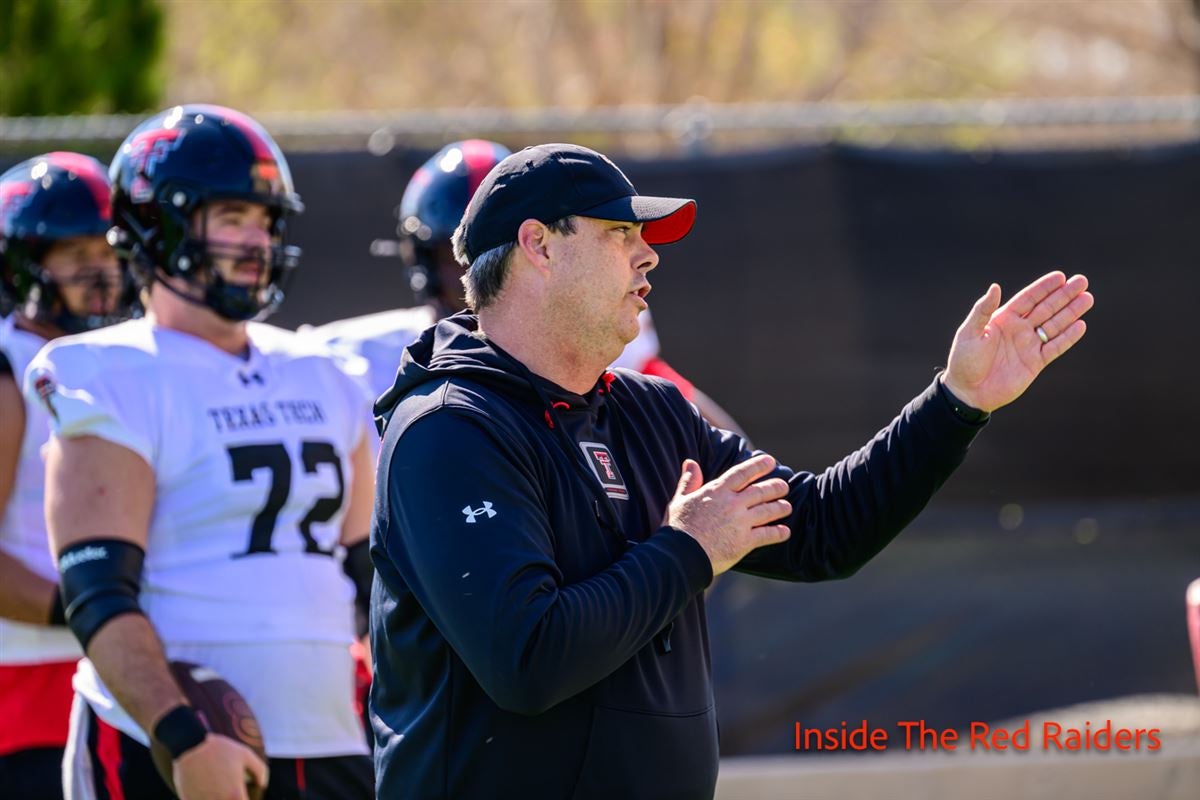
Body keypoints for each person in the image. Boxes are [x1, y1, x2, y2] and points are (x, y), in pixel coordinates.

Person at [368, 143, 1094, 799]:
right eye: (620, 234)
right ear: (539, 247)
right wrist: (689, 548)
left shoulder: (652, 413)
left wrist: (958, 403)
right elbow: (528, 659)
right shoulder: (448, 429)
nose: (647, 256)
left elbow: (823, 531)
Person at [27, 106, 376, 800]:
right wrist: (180, 734)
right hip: (165, 745)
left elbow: (367, 576)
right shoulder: (109, 371)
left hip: (330, 739)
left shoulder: (325, 372)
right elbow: (97, 594)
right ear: (157, 225)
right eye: (232, 218)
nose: (256, 243)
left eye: (265, 222)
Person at [306, 139, 744, 436]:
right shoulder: (353, 357)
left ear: (537, 247)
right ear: (422, 259)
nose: (474, 272)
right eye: (453, 254)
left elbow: (699, 423)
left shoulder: (591, 325)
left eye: (500, 251)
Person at [0, 152, 134, 800]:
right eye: (72, 251)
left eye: (107, 249)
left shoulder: (122, 358)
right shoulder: (10, 368)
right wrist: (104, 609)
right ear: (25, 260)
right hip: (27, 681)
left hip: (118, 669)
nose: (99, 268)